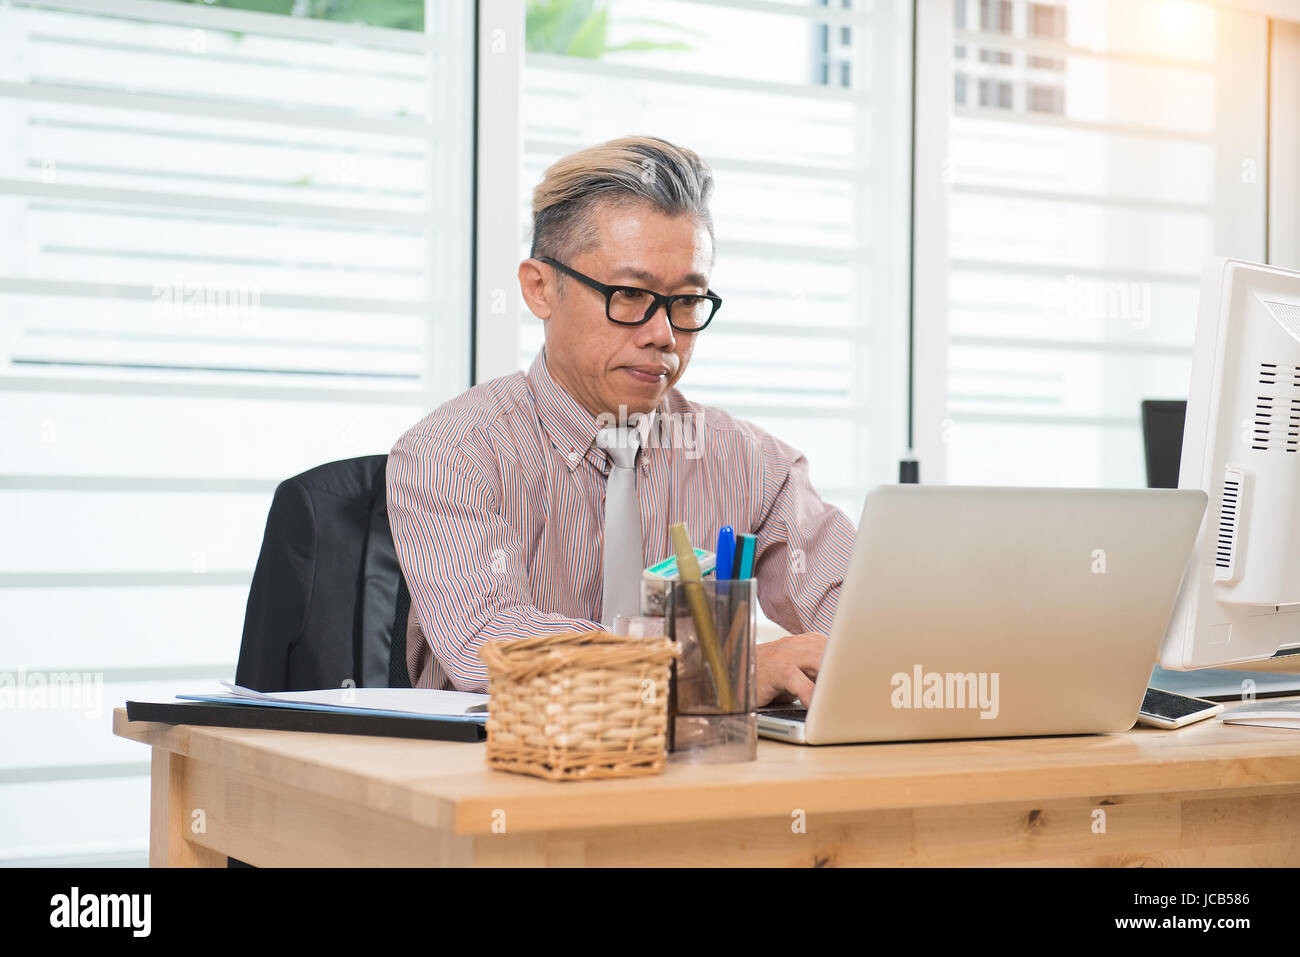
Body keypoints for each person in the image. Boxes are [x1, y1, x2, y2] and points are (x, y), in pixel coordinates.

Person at [386, 135, 855, 707]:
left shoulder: (755, 466)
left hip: (704, 778)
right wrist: (718, 669)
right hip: (501, 774)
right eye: (631, 294)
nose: (663, 334)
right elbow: (487, 644)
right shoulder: (454, 451)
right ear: (540, 288)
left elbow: (866, 618)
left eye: (687, 302)